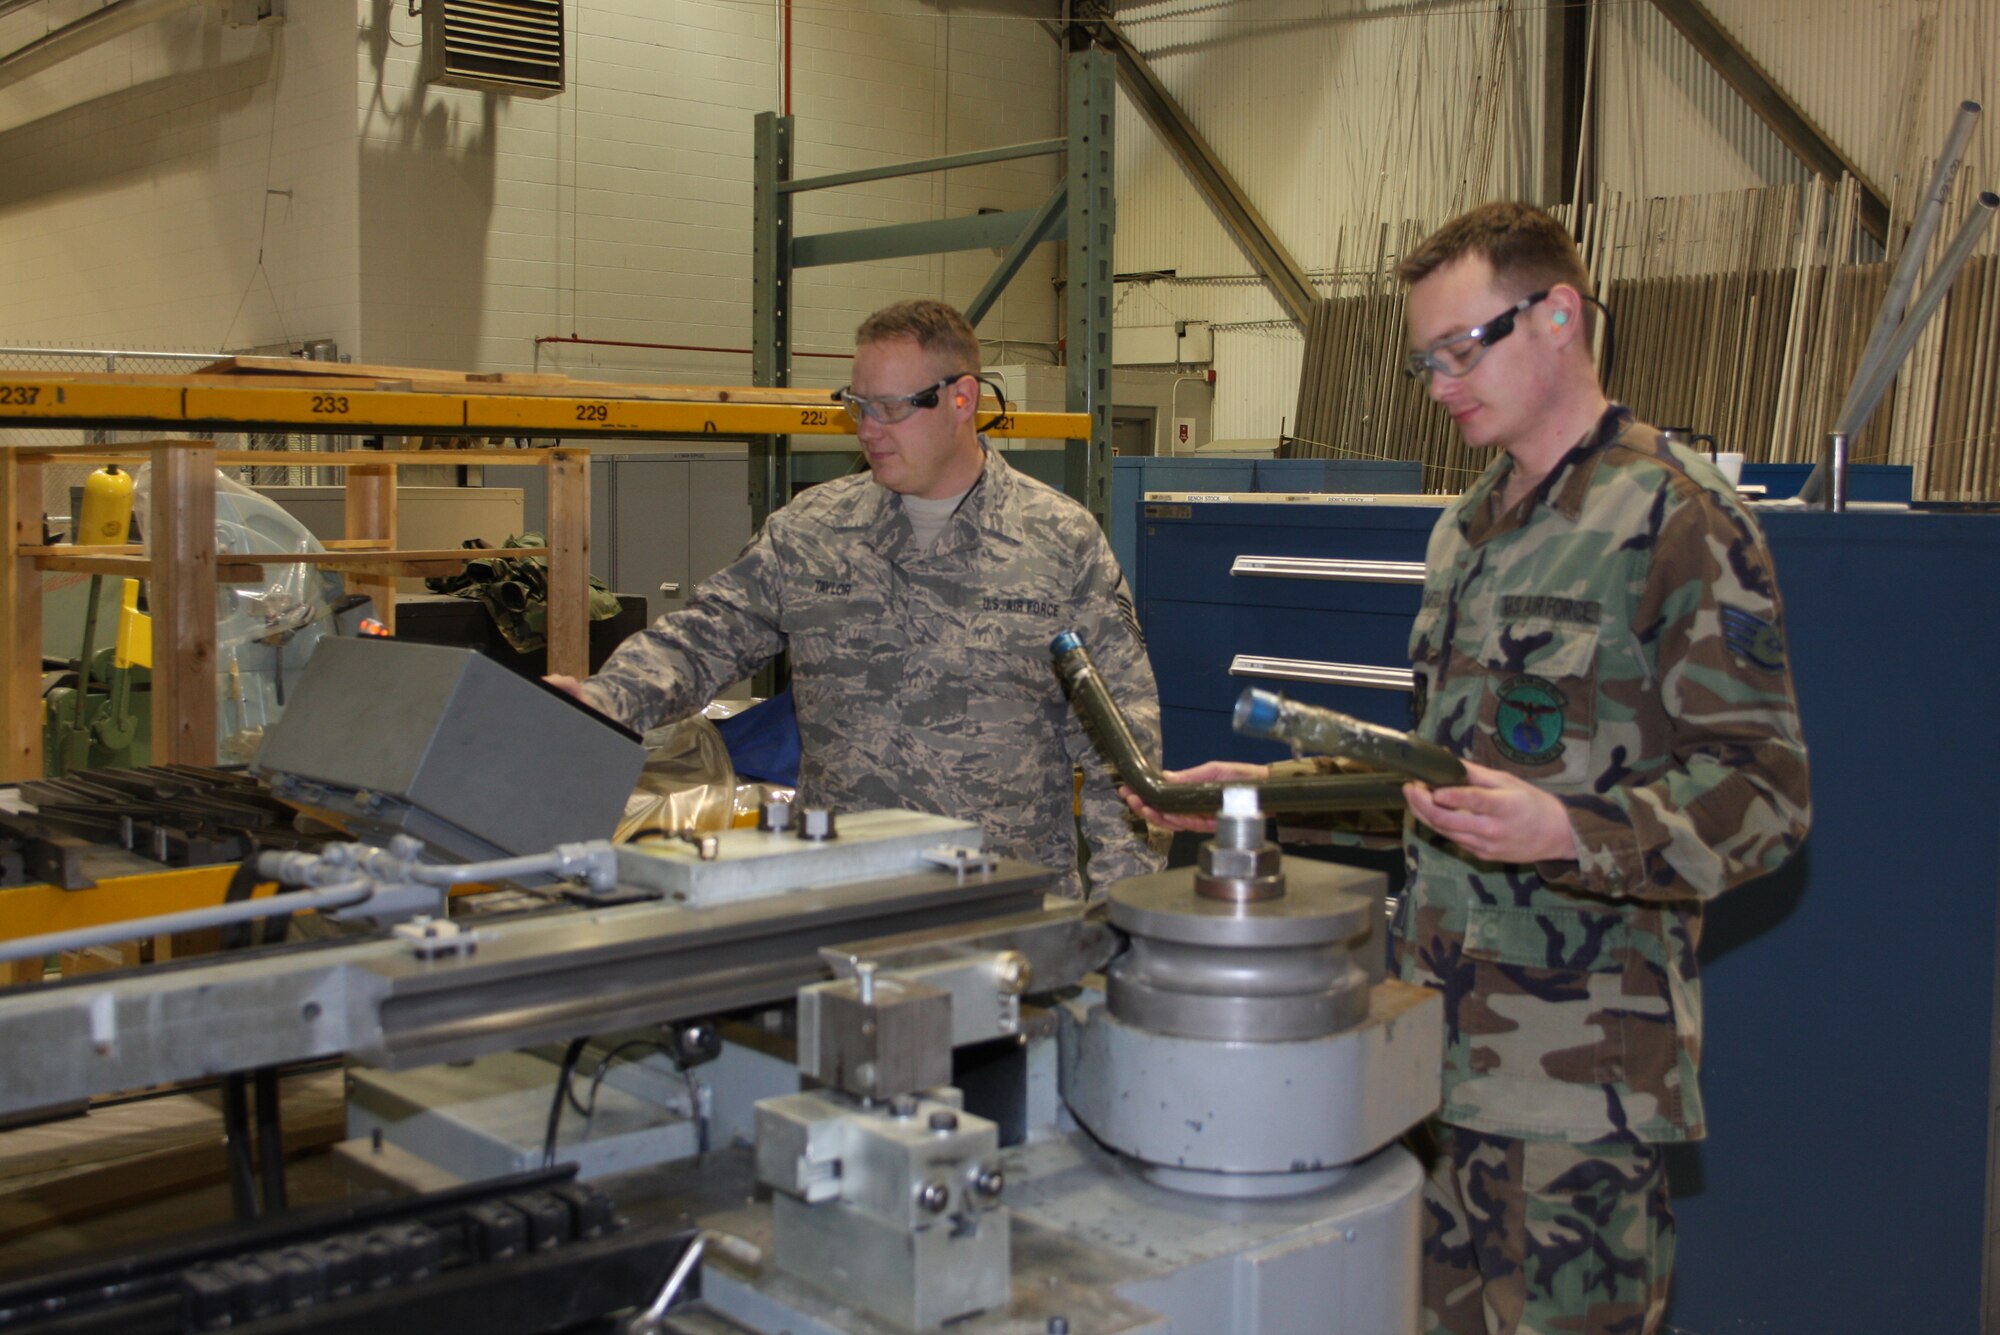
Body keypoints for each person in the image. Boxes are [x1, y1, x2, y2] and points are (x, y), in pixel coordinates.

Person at [1126, 202, 1809, 1333]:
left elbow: (1767, 800)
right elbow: (1434, 782)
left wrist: (1571, 831)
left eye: (1459, 350)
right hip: (1432, 1059)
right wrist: (1254, 802)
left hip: (1578, 1089)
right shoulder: (1466, 533)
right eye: (1422, 360)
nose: (1439, 383)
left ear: (1556, 316)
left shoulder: (1674, 519)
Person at [551, 298, 1163, 900]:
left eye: (892, 409)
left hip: (1002, 914)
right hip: (841, 906)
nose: (868, 429)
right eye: (858, 406)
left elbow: (1125, 757)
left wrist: (1122, 923)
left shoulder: (1059, 542)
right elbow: (702, 638)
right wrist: (603, 702)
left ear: (963, 399)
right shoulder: (812, 531)